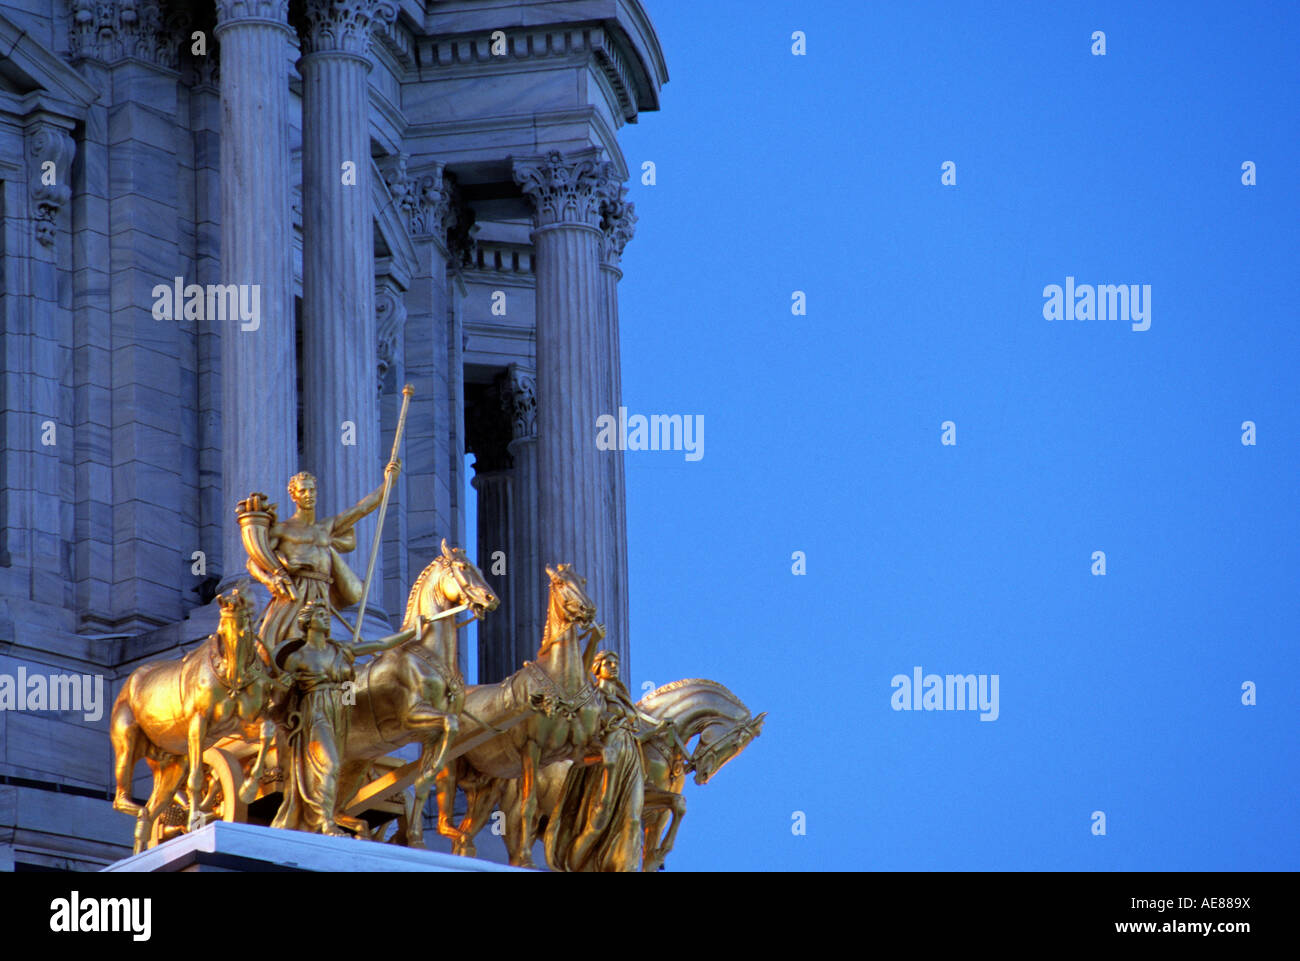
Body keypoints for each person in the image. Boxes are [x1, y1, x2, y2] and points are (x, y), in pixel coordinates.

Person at [269, 601, 416, 836]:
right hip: (315, 712)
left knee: (338, 765)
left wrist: (410, 633)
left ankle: (326, 814)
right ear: (307, 623)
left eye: (326, 613)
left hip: (340, 712)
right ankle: (326, 821)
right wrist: (283, 688)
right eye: (319, 614)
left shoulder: (339, 649)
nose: (325, 617)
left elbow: (378, 644)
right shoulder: (297, 658)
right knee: (330, 764)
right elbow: (279, 696)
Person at [237, 460, 399, 663]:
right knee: (280, 648)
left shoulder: (326, 527)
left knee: (318, 653)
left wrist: (388, 483)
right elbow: (254, 562)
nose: (309, 495)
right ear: (294, 495)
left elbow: (361, 509)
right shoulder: (283, 529)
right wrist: (270, 580)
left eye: (312, 490)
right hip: (295, 594)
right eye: (303, 491)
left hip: (321, 592)